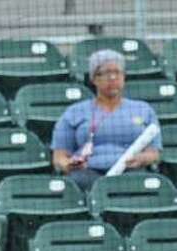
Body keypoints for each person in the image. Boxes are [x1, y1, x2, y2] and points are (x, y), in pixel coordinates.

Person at [51, 50, 162, 192]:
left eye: (118, 72)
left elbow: (154, 153)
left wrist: (142, 159)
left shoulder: (143, 110)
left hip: (130, 172)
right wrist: (68, 164)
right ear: (94, 78)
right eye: (106, 73)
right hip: (87, 173)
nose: (113, 77)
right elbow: (59, 157)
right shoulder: (74, 112)